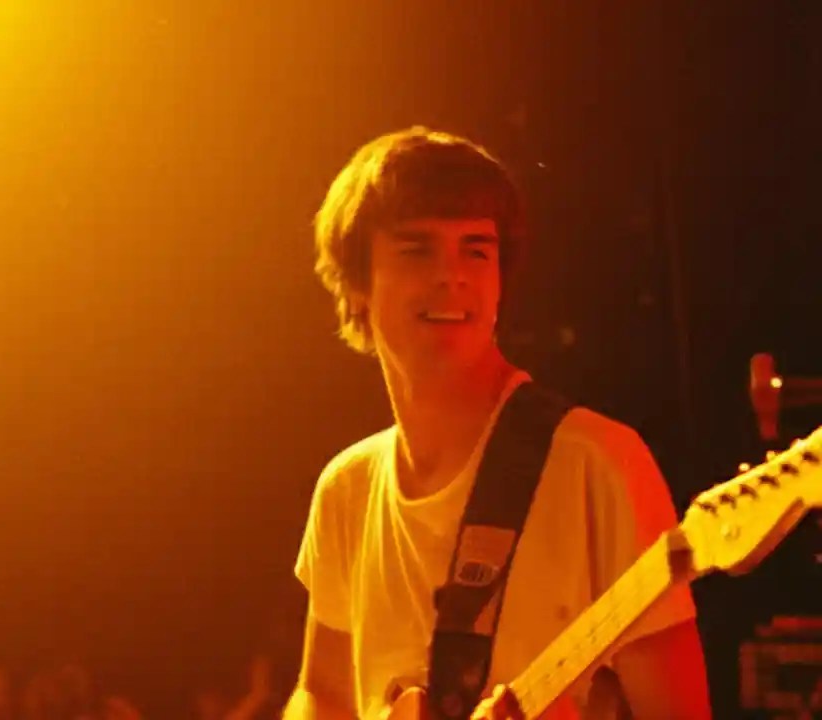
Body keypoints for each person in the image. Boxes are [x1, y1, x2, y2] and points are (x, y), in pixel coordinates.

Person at [284, 127, 710, 719]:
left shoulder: (599, 463)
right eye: (417, 249)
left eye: (476, 249)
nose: (452, 275)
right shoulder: (347, 490)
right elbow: (321, 695)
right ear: (357, 281)